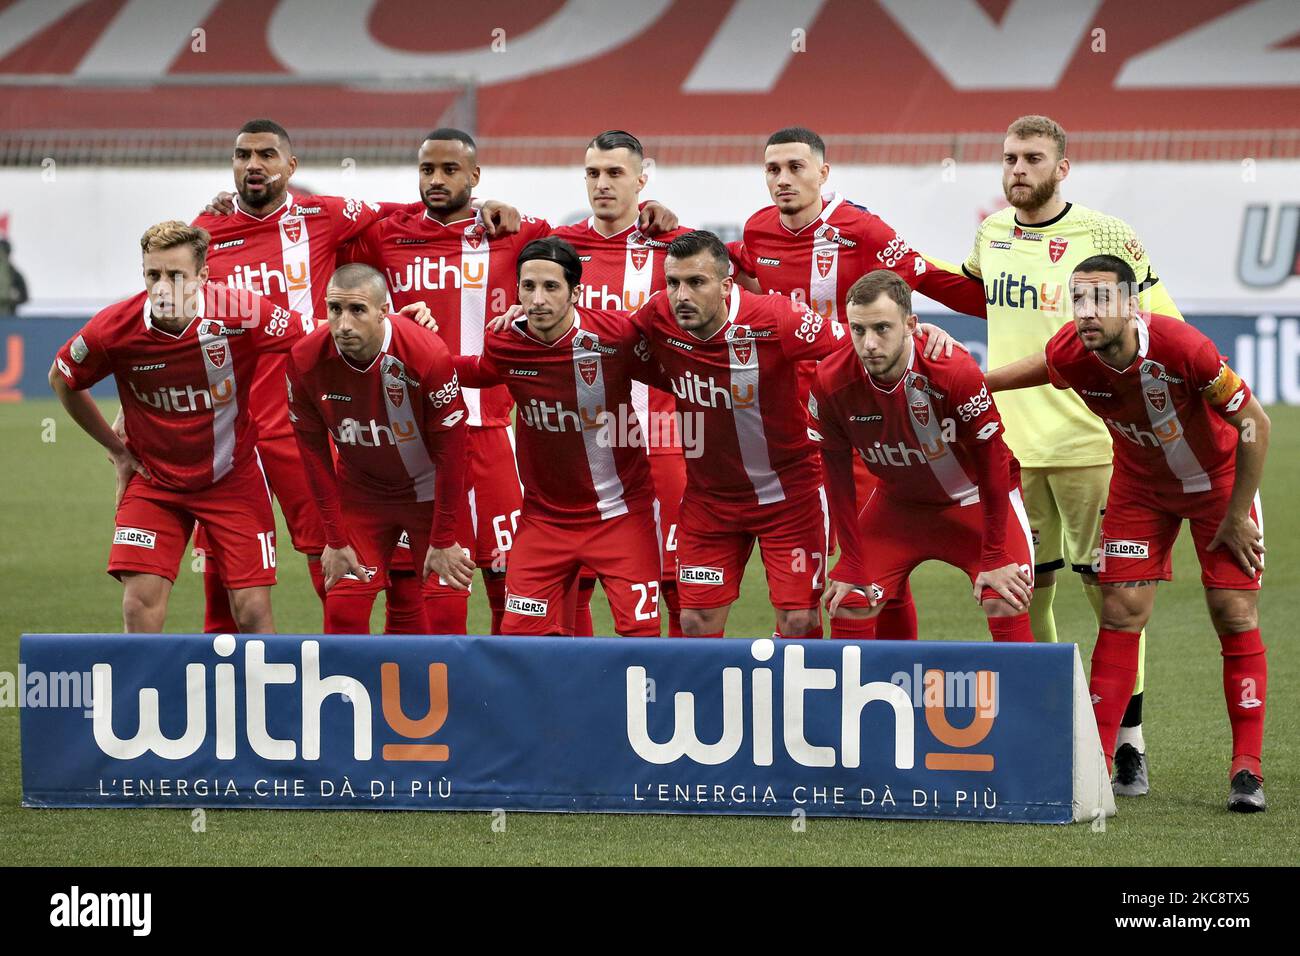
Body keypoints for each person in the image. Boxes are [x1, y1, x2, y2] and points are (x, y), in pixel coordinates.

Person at [987, 255, 1269, 812]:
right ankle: (1091, 766)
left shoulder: (1185, 348)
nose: (1087, 313)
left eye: (1102, 300)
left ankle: (1248, 770)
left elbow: (1254, 422)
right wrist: (971, 382)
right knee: (1120, 613)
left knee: (1233, 614)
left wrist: (1238, 515)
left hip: (1220, 488)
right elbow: (1041, 368)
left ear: (1132, 305)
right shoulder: (1073, 350)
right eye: (1079, 300)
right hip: (1141, 493)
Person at [963, 114, 1185, 794]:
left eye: (1032, 157)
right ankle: (1051, 728)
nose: (1017, 169)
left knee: (1112, 600)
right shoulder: (992, 233)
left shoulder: (1108, 236)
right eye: (1009, 158)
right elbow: (971, 292)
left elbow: (1163, 323)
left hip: (1092, 445)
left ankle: (1128, 742)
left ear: (1063, 166)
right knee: (1029, 591)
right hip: (1010, 449)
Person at [729, 127, 988, 640]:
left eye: (795, 167)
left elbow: (929, 280)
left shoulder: (862, 230)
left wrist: (1008, 305)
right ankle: (857, 682)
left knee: (868, 570)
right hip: (792, 429)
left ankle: (885, 682)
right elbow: (745, 283)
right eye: (772, 169)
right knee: (840, 572)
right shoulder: (757, 230)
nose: (783, 179)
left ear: (823, 173)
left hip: (862, 427)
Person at [187, 118, 434, 634]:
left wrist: (490, 211)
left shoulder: (325, 216)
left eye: (267, 155)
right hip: (230, 426)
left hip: (303, 419)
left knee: (333, 552)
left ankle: (348, 677)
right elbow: (178, 317)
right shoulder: (203, 235)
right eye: (243, 155)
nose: (254, 164)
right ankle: (228, 695)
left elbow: (411, 214)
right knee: (224, 568)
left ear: (291, 166)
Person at [50, 221, 304, 633]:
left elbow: (311, 339)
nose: (163, 288)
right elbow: (62, 379)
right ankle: (145, 697)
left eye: (176, 276)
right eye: (154, 275)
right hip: (155, 482)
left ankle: (263, 696)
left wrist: (392, 324)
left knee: (253, 611)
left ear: (203, 276)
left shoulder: (244, 313)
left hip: (232, 476)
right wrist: (116, 448)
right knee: (139, 605)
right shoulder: (114, 329)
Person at [455, 238, 665, 636]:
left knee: (642, 639)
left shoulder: (616, 336)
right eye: (528, 286)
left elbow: (677, 374)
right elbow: (476, 371)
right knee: (521, 641)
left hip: (620, 515)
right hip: (544, 520)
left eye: (551, 287)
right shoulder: (505, 341)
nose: (537, 299)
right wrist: (402, 339)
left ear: (575, 292)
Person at [815, 271, 1034, 641]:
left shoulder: (953, 370)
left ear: (911, 325)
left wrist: (996, 555)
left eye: (882, 328)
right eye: (858, 330)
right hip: (899, 507)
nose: (869, 343)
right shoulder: (831, 380)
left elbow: (994, 462)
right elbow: (835, 475)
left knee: (1005, 597)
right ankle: (883, 697)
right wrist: (851, 560)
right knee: (850, 600)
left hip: (975, 502)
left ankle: (1025, 701)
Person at [550, 130, 693, 636]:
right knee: (575, 582)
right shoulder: (557, 249)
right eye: (593, 173)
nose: (603, 184)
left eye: (615, 173)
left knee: (680, 584)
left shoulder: (678, 248)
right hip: (582, 444)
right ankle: (585, 700)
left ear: (641, 178)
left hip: (666, 437)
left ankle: (676, 698)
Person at [285, 263, 472, 634]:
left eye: (357, 310)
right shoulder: (305, 359)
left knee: (446, 617)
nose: (343, 325)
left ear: (383, 310)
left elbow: (454, 455)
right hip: (363, 497)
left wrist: (444, 538)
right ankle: (355, 693)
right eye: (334, 309)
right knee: (342, 611)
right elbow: (313, 455)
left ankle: (441, 694)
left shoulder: (426, 355)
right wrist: (335, 540)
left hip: (431, 496)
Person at [0, 239, 28, 316]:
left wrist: (10, 301)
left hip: (7, 315)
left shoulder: (13, 274)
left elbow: (24, 296)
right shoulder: (13, 273)